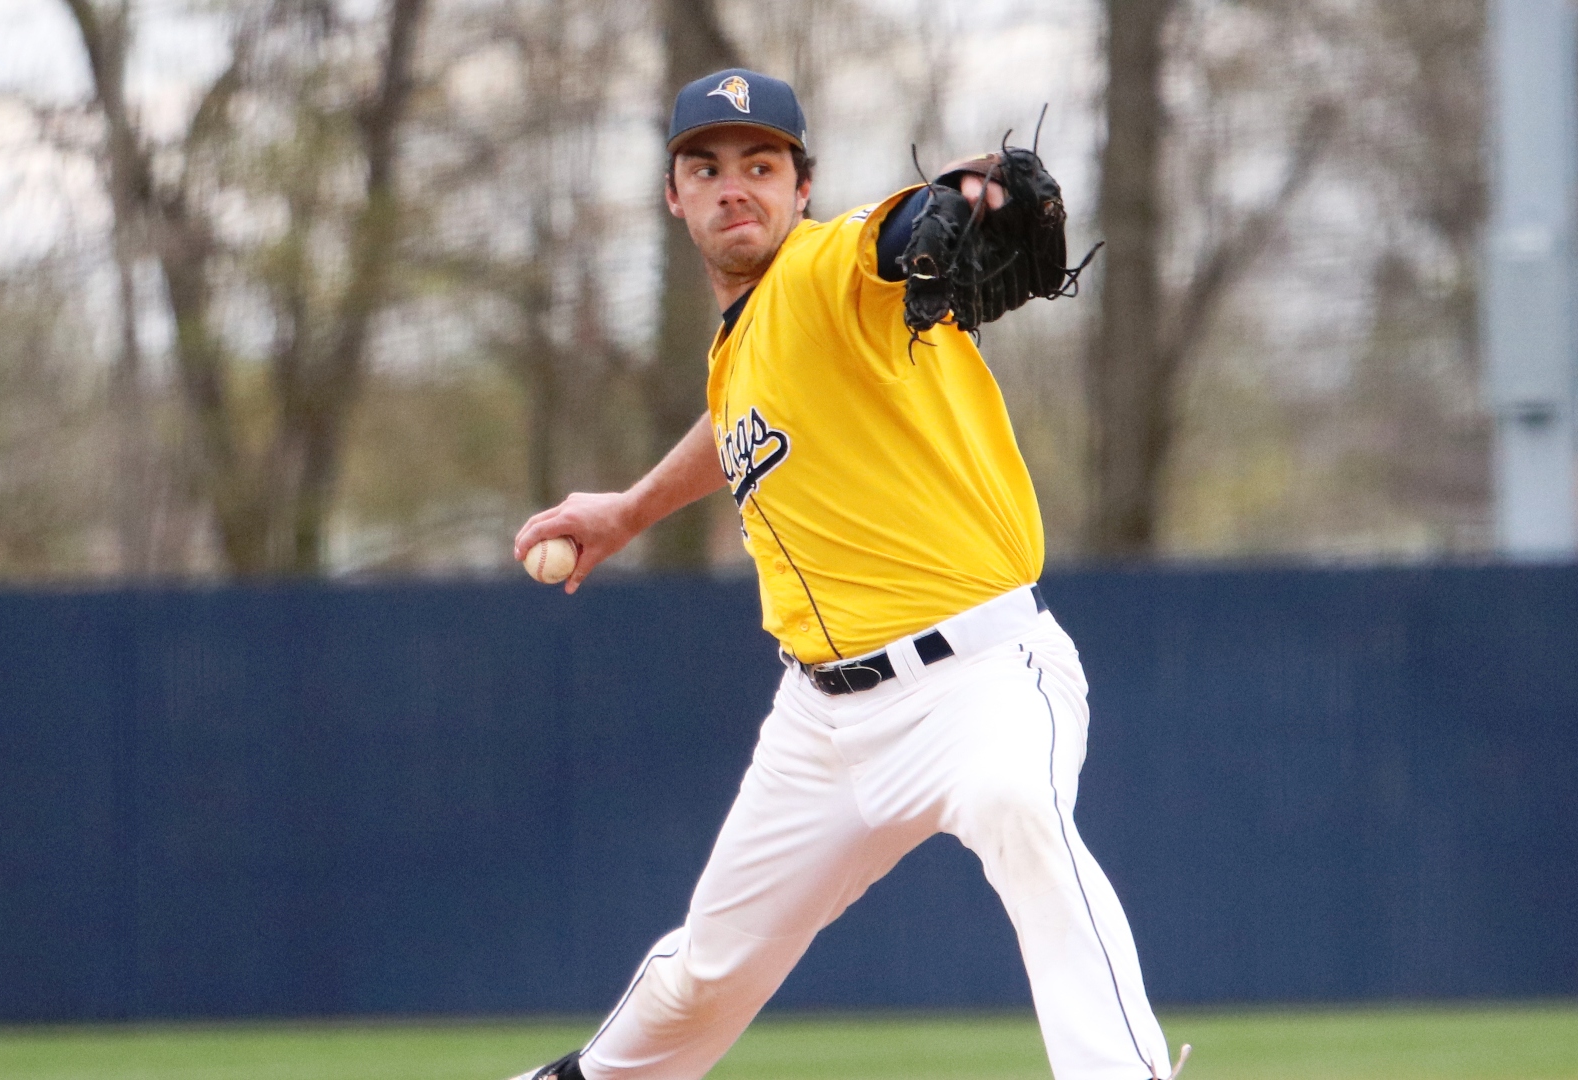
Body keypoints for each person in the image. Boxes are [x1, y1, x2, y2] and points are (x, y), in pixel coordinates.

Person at [507, 69, 1183, 1080]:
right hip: (820, 724)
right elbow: (736, 424)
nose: (735, 186)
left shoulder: (829, 267)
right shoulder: (743, 346)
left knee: (1020, 812)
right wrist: (631, 509)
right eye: (706, 168)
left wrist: (967, 192)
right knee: (709, 970)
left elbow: (900, 228)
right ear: (674, 196)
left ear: (803, 187)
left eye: (761, 165)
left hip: (978, 682)